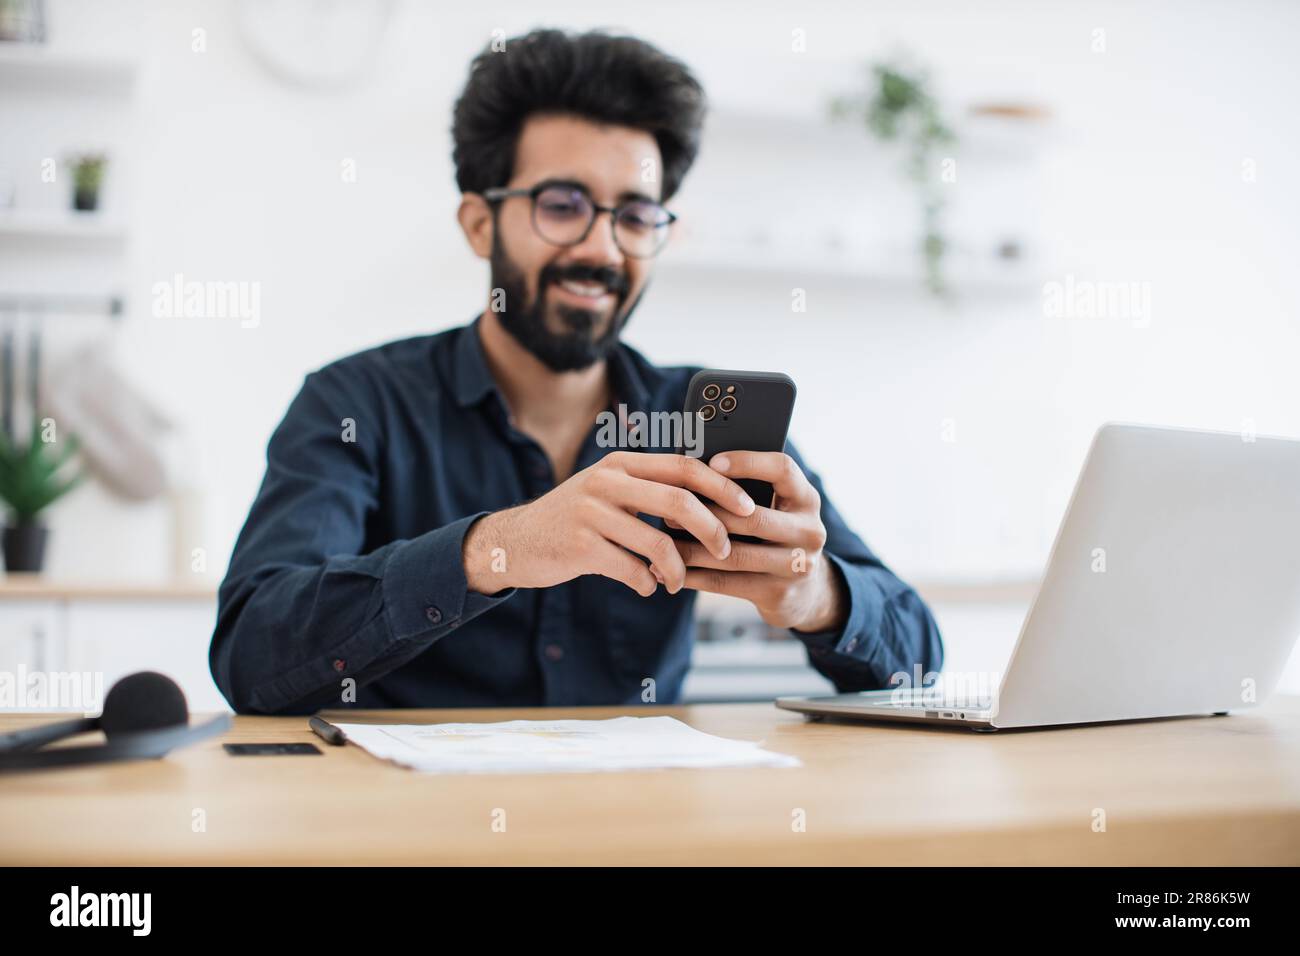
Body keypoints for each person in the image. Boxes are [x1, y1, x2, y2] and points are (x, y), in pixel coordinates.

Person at [210, 29, 943, 714]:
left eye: (635, 216)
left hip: (635, 829)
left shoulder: (702, 417)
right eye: (563, 205)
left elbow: (920, 663)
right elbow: (251, 652)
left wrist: (814, 596)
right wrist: (496, 549)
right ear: (478, 224)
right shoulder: (357, 405)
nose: (602, 248)